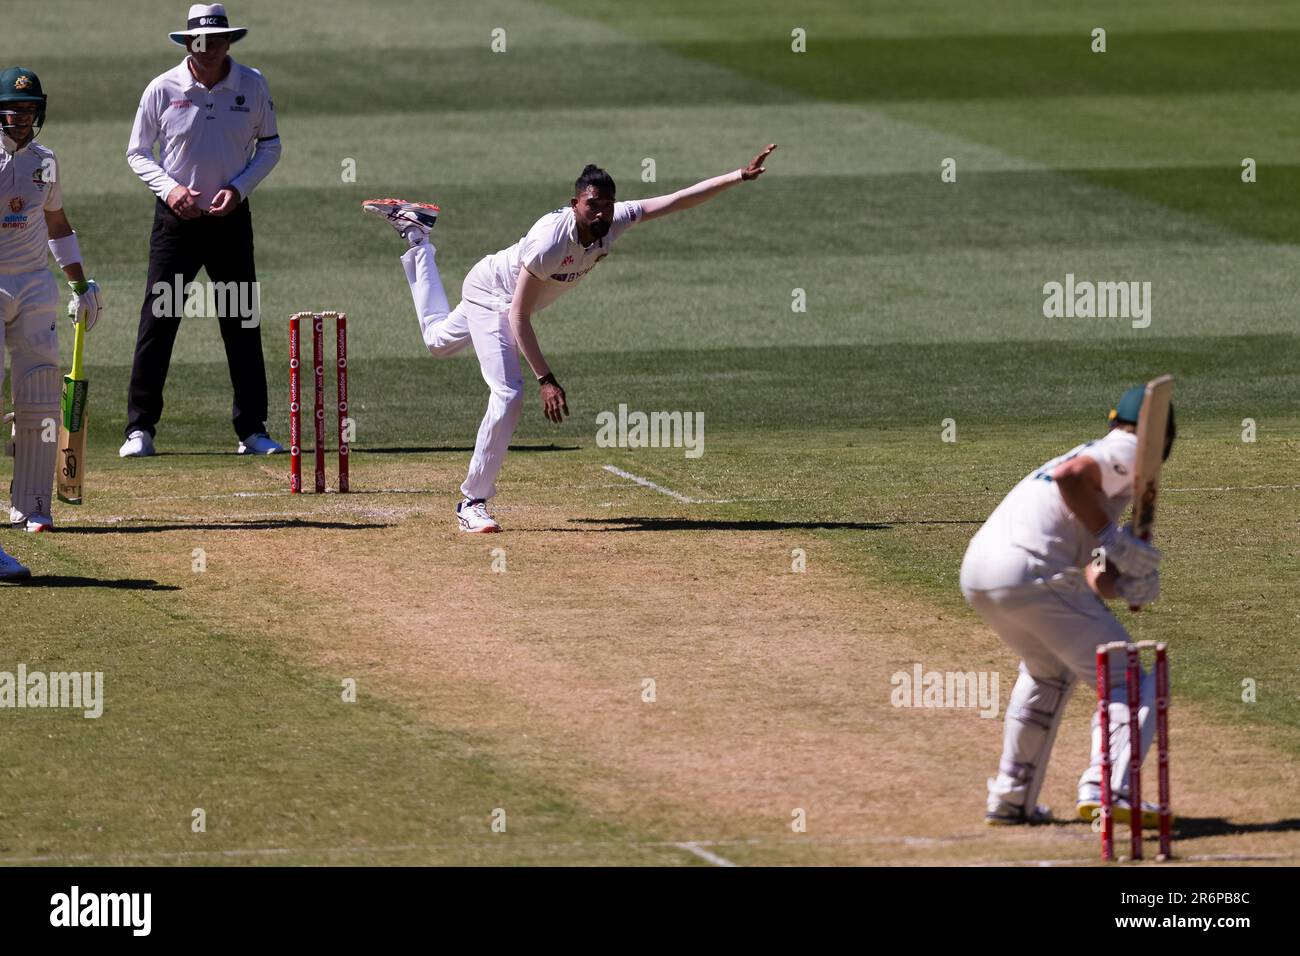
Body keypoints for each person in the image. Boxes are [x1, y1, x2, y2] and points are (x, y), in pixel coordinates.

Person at [363, 145, 777, 532]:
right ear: (575, 203)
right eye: (591, 205)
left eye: (606, 206)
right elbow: (518, 316)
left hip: (503, 296)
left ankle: (417, 235)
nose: (600, 214)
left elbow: (676, 199)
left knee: (437, 342)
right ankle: (472, 503)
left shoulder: (615, 221)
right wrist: (546, 379)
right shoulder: (550, 241)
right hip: (495, 297)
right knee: (509, 394)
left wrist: (738, 175)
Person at [959, 386, 1174, 825]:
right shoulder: (1129, 448)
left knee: (1048, 672)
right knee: (1125, 675)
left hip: (982, 573)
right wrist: (1114, 539)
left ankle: (1010, 797)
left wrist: (1128, 584)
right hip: (1031, 572)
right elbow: (1071, 477)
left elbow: (1095, 577)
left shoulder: (1101, 461)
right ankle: (1109, 787)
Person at [121, 3, 281, 457]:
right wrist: (171, 191)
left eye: (216, 40)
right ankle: (140, 429)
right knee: (160, 321)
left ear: (230, 41)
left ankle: (252, 430)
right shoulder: (162, 88)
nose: (208, 48)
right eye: (200, 40)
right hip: (176, 224)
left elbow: (270, 145)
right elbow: (137, 152)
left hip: (229, 221)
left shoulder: (251, 84)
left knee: (241, 321)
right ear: (187, 42)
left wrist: (239, 187)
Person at [0, 66, 103, 541]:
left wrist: (82, 286)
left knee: (41, 399)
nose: (21, 117)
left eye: (29, 109)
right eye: (13, 108)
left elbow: (58, 225)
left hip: (36, 285)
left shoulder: (46, 161)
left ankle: (35, 504)